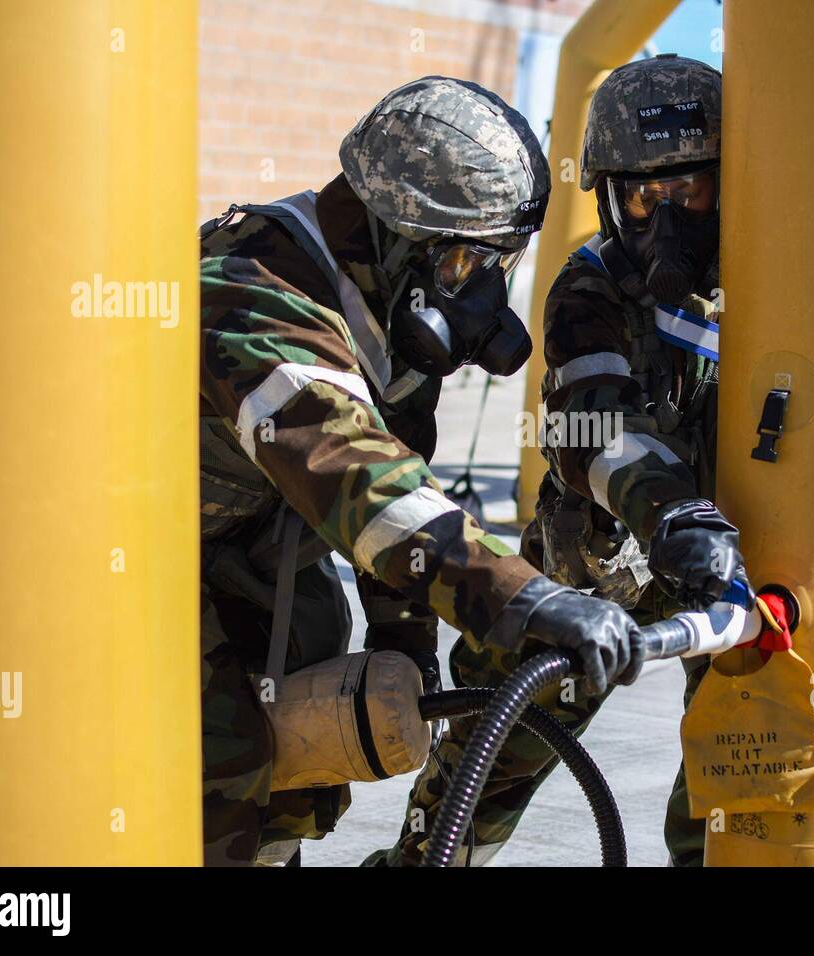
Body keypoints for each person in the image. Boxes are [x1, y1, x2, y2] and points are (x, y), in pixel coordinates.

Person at [198, 76, 644, 866]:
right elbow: (364, 485)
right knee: (223, 754)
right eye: (467, 262)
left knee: (314, 727)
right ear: (394, 234)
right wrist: (530, 601)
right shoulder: (260, 306)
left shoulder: (382, 302)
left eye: (497, 264)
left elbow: (402, 467)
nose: (480, 300)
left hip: (244, 535)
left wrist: (404, 646)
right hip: (119, 558)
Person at [371, 55, 746, 868]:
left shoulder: (772, 287)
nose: (667, 223)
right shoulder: (590, 287)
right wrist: (671, 509)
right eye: (645, 199)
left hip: (725, 573)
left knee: (729, 803)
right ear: (609, 198)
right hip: (595, 577)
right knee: (473, 788)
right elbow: (590, 428)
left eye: (690, 194)